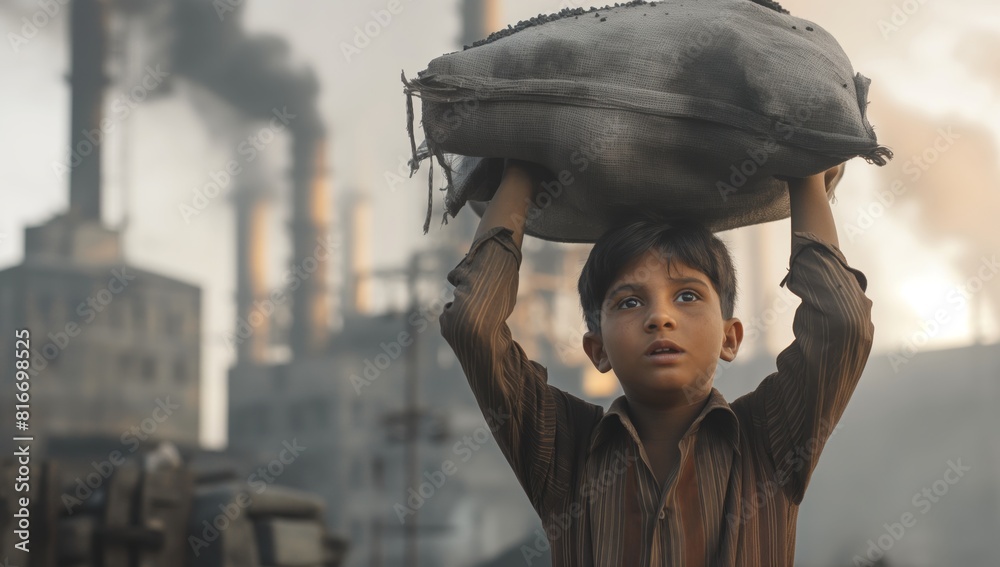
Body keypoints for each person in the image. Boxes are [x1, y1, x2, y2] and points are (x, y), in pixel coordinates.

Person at [438, 158, 873, 566]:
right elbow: (473, 324)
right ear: (598, 350)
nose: (659, 318)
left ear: (729, 336)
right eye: (629, 302)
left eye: (687, 296)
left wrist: (807, 181)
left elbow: (842, 324)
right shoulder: (561, 448)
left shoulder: (770, 440)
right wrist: (520, 173)